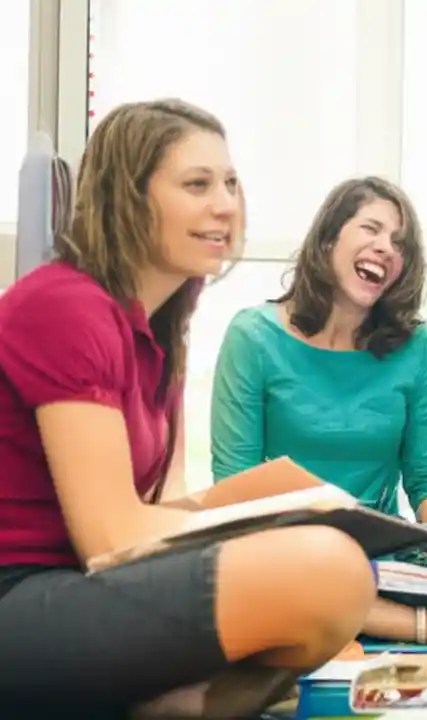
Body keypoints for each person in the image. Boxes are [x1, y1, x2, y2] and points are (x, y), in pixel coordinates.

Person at [0, 99, 376, 718]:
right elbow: (111, 535)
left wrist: (276, 506)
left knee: (332, 563)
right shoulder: (66, 305)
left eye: (230, 183)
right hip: (22, 594)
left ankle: (164, 703)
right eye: (197, 184)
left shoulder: (161, 321)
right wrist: (272, 520)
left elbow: (153, 510)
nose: (226, 204)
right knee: (326, 570)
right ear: (130, 196)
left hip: (76, 586)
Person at [210, 177, 427, 648]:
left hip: (381, 560)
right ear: (330, 236)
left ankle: (356, 615)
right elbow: (235, 485)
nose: (386, 248)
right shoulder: (252, 337)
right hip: (280, 551)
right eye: (371, 229)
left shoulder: (413, 347)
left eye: (399, 243)